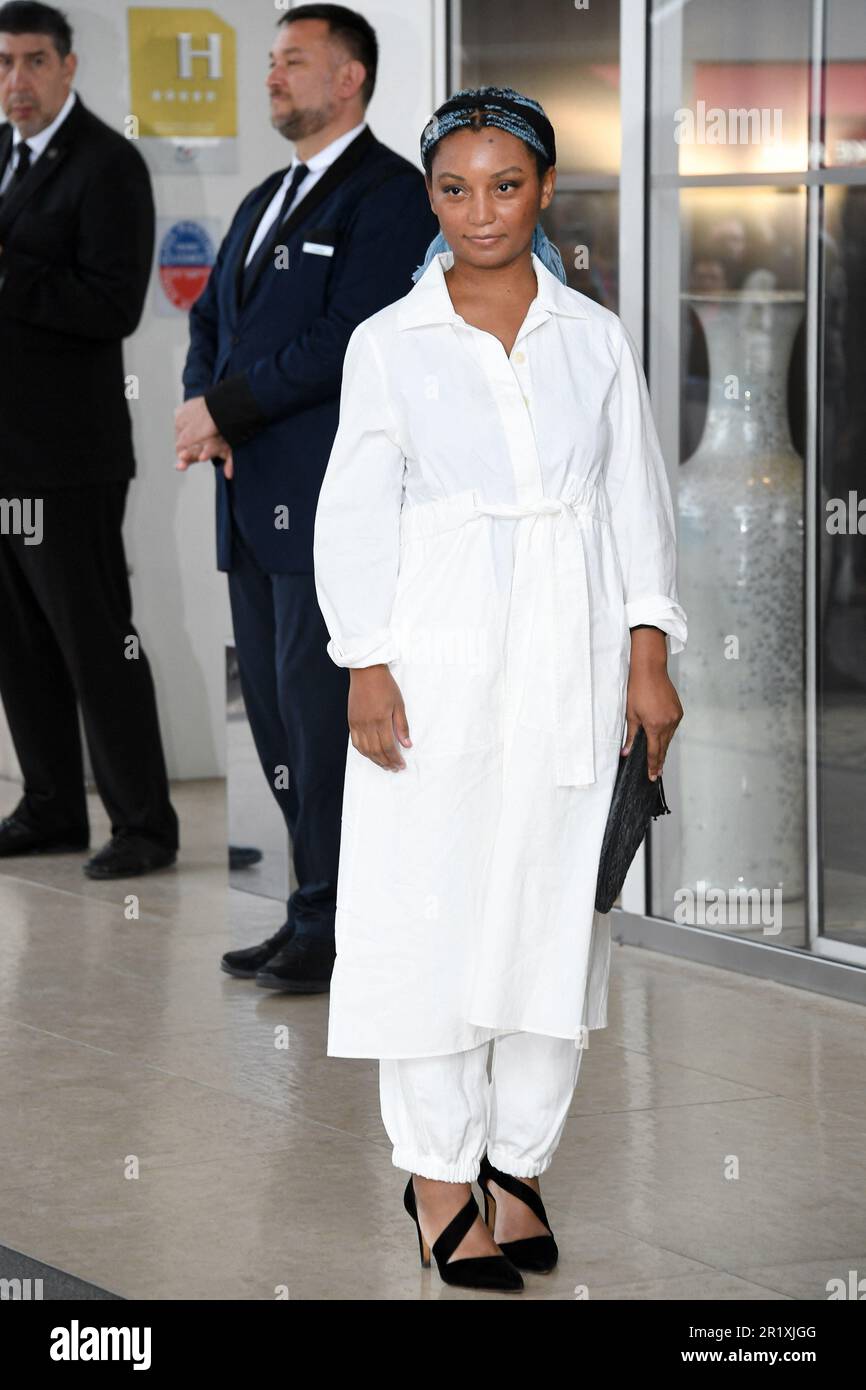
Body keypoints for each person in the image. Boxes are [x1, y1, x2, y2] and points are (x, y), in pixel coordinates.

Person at [313, 87, 687, 1291]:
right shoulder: (389, 342)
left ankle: (515, 1160)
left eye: (506, 185)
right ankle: (434, 1172)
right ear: (428, 195)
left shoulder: (595, 337)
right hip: (434, 659)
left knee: (549, 912)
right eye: (454, 188)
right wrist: (364, 658)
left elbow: (635, 502)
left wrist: (648, 657)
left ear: (545, 190)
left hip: (571, 661)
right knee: (429, 914)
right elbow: (354, 515)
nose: (481, 211)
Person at [177, 5, 437, 993]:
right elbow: (212, 319)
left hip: (328, 507)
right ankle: (310, 906)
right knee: (281, 725)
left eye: (294, 61)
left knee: (323, 719)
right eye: (272, 61)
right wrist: (211, 410)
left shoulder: (388, 198)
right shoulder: (265, 198)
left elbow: (347, 339)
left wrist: (224, 409)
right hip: (249, 502)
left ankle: (339, 923)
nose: (274, 77)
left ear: (350, 80)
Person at [0, 0, 178, 879]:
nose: (16, 82)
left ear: (69, 68)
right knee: (17, 643)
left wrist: (9, 267)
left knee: (95, 641)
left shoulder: (109, 164)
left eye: (34, 62)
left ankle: (144, 826)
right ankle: (50, 808)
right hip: (2, 457)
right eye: (3, 64)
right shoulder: (1, 155)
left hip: (67, 460)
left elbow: (111, 305)